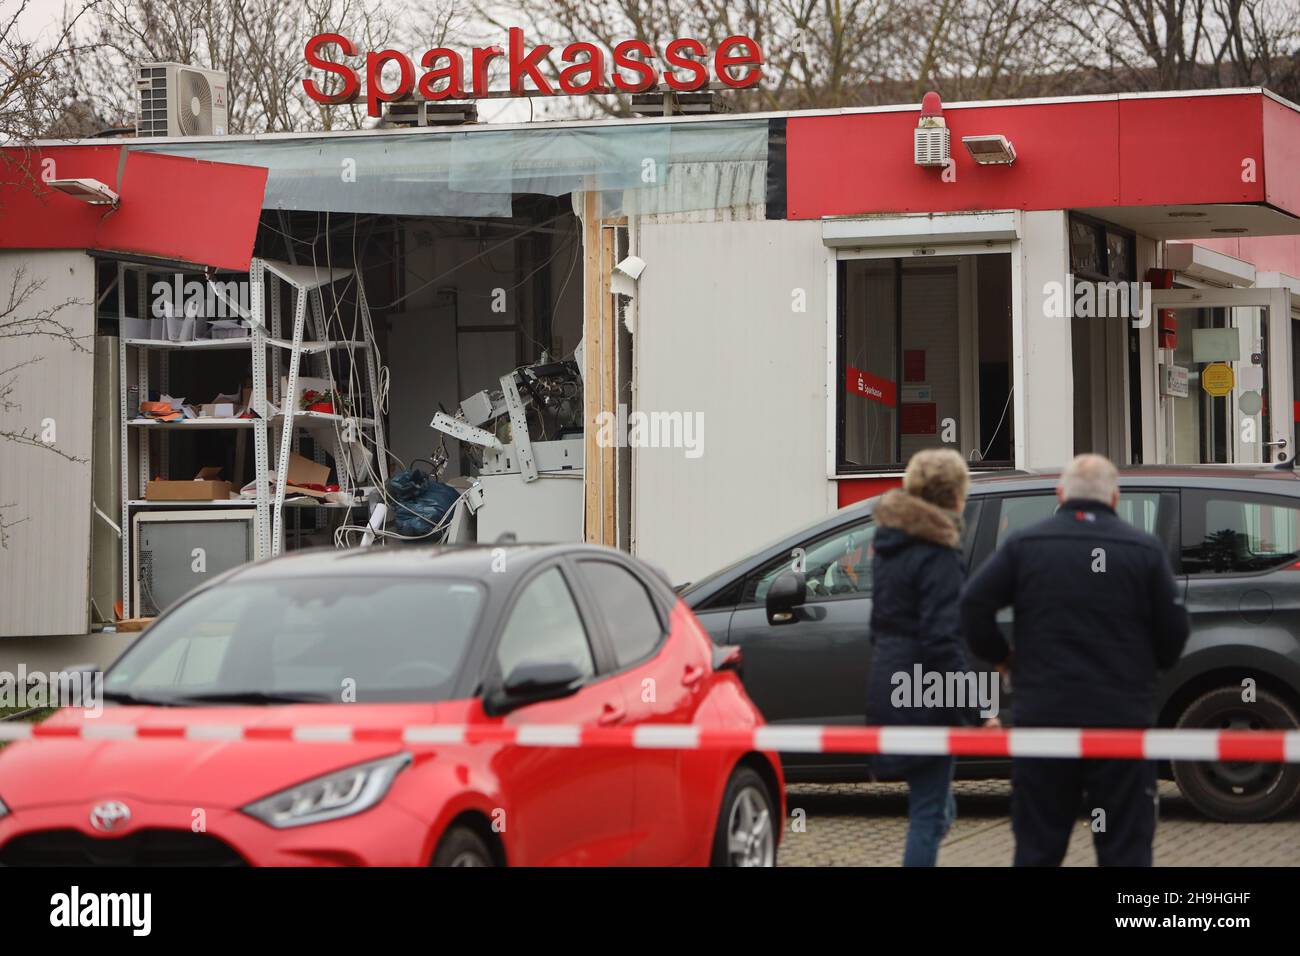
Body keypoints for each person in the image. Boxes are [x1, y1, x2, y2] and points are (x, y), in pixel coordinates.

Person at [960, 453, 1190, 866]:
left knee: (1038, 845)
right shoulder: (1144, 550)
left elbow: (973, 606)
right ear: (1115, 498)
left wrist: (1004, 658)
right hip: (1121, 719)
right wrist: (1145, 670)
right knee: (1125, 845)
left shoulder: (1025, 545)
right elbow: (1174, 631)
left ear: (1060, 494)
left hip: (1045, 716)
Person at [866, 448, 990, 867]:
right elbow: (942, 641)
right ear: (954, 496)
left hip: (893, 680)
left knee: (936, 806)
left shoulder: (890, 548)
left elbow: (877, 626)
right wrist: (978, 708)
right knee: (929, 812)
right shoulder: (938, 553)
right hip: (926, 692)